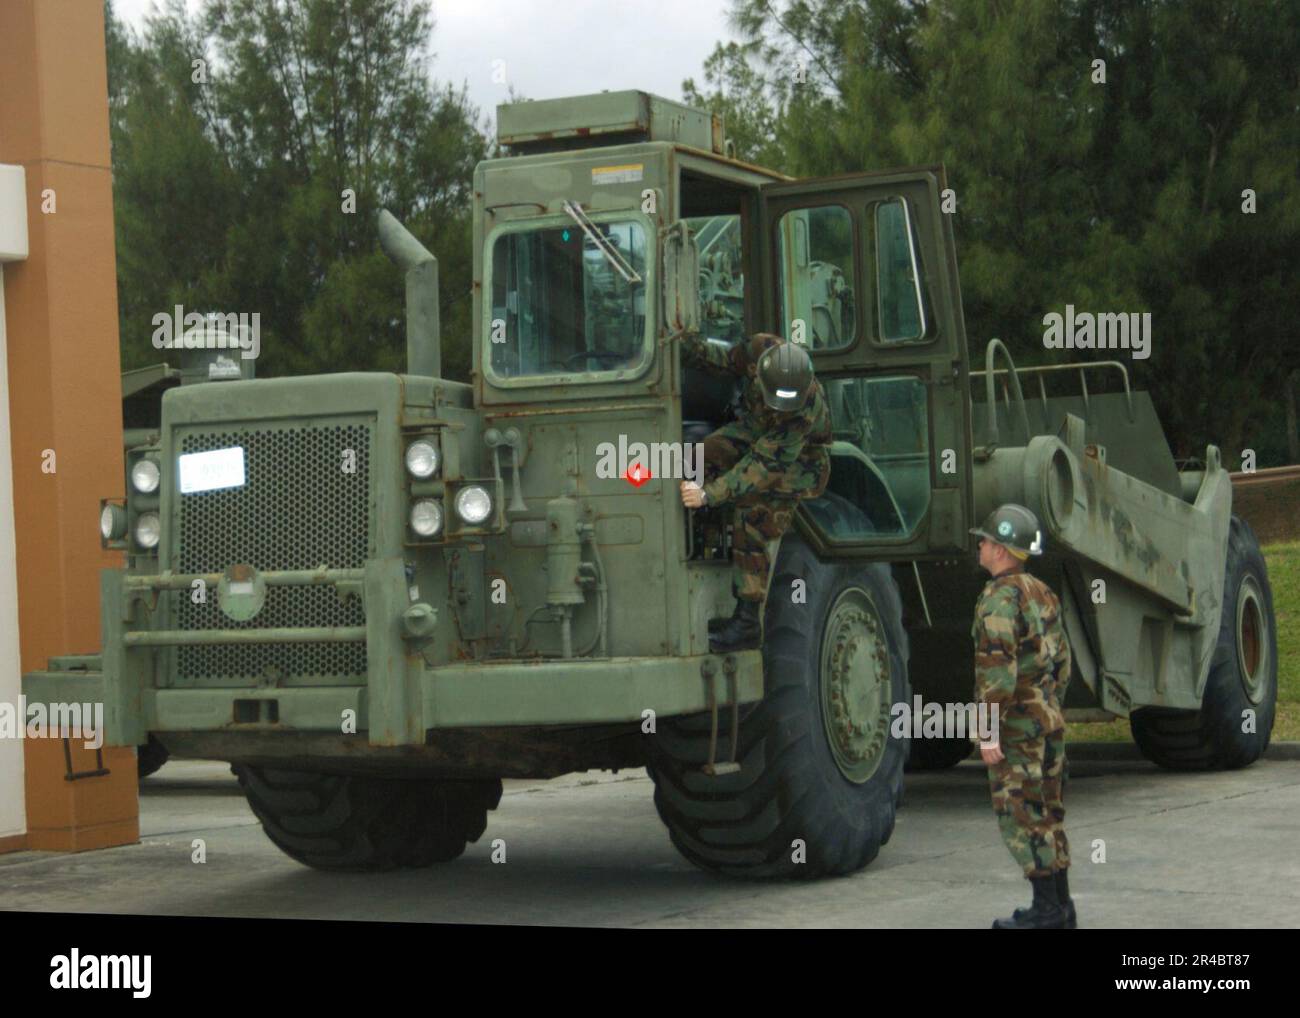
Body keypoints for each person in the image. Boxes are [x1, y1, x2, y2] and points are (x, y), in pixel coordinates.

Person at [678, 331, 831, 652]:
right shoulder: (759, 350)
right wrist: (686, 348)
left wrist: (710, 493)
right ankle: (705, 536)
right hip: (754, 430)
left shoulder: (804, 408)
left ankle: (747, 622)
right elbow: (723, 360)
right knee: (695, 456)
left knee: (753, 511)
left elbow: (763, 466)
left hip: (798, 463)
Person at [970, 503, 1076, 929]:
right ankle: (1060, 907)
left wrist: (988, 732)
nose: (980, 544)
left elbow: (997, 673)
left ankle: (1047, 913)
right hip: (1048, 722)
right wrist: (1049, 705)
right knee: (1049, 812)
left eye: (986, 539)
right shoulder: (1041, 591)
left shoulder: (998, 599)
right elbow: (1062, 663)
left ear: (1001, 549)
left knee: (1022, 815)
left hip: (1018, 729)